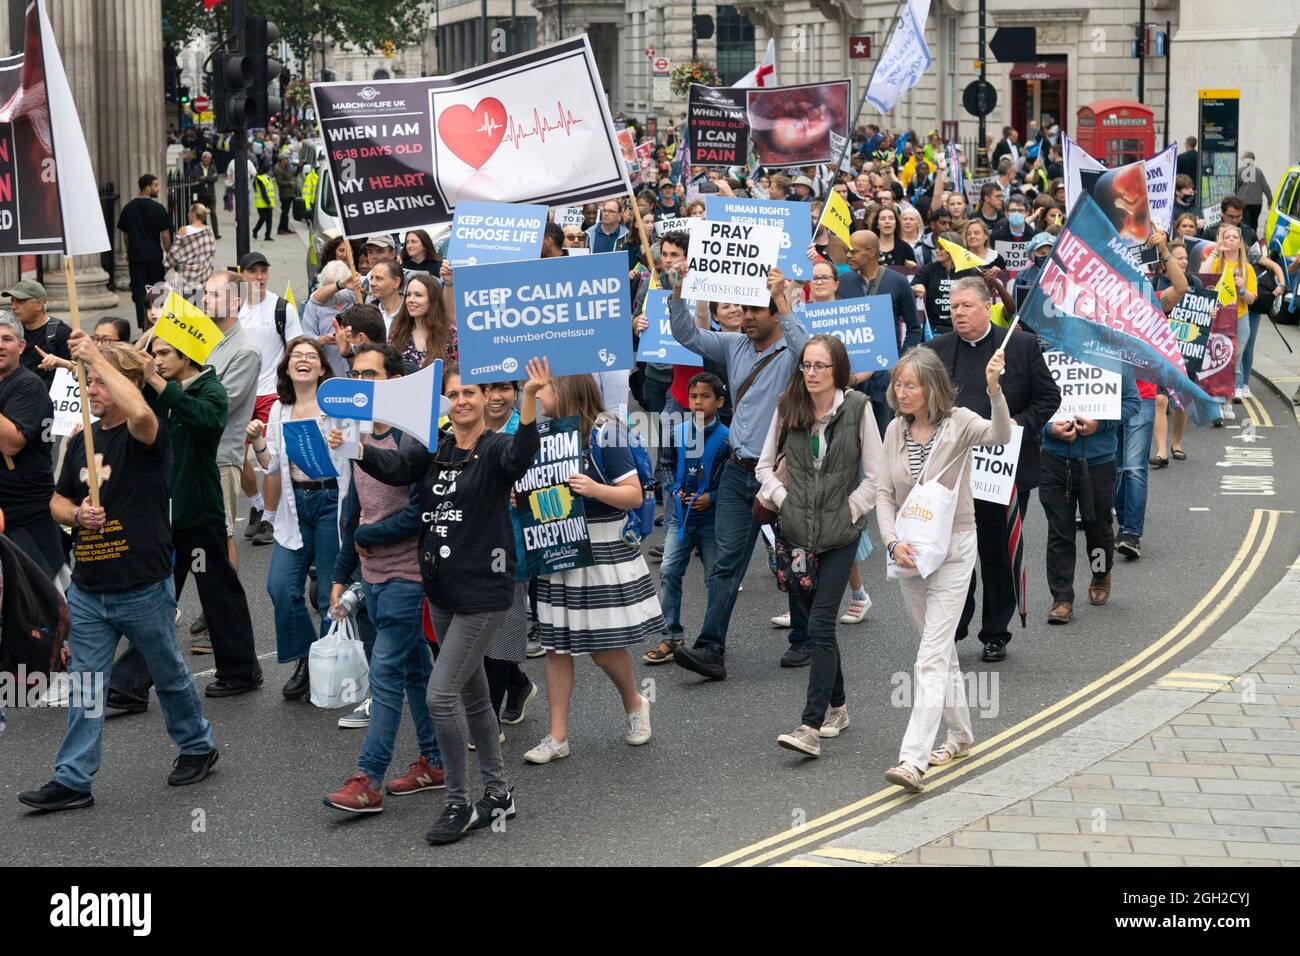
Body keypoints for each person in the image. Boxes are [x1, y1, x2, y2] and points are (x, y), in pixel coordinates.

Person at [348, 359, 546, 845]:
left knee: (441, 695)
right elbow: (396, 468)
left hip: (484, 591)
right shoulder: (436, 448)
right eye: (454, 394)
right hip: (441, 590)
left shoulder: (498, 447)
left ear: (484, 401)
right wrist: (356, 449)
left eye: (470, 393)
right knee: (474, 695)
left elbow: (522, 456)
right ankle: (499, 794)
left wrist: (530, 400)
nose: (461, 401)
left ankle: (459, 802)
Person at [18, 335, 218, 812]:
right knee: (87, 686)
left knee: (169, 675)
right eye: (87, 382)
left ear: (126, 382)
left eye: (99, 382)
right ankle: (73, 779)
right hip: (89, 587)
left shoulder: (146, 433)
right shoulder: (82, 438)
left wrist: (96, 359)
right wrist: (76, 516)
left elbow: (144, 415)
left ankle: (197, 746)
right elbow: (55, 500)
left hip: (142, 585)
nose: (92, 389)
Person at [876, 344, 1011, 792]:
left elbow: (1001, 435)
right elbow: (883, 494)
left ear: (932, 386)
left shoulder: (960, 423)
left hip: (953, 549)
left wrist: (994, 390)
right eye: (898, 383)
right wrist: (892, 542)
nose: (902, 391)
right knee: (939, 652)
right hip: (910, 553)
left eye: (910, 384)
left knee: (930, 657)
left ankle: (912, 759)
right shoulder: (895, 429)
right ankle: (961, 734)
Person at [667, 267, 810, 680]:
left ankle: (803, 638)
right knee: (726, 563)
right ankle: (711, 649)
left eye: (753, 310)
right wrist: (678, 292)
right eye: (741, 309)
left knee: (793, 557)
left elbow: (809, 352)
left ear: (773, 314)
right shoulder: (733, 345)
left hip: (781, 476)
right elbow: (687, 337)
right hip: (736, 472)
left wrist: (783, 300)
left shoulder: (792, 350)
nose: (743, 317)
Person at [106, 332, 263, 710]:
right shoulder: (158, 391)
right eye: (153, 354)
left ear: (187, 356)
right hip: (161, 517)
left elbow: (206, 422)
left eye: (163, 354)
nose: (155, 360)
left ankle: (241, 671)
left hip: (197, 516)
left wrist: (158, 382)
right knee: (155, 600)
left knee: (217, 592)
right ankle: (129, 685)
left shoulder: (210, 389)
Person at [323, 344, 445, 814]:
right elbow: (355, 508)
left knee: (387, 674)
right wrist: (339, 571)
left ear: (395, 381)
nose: (361, 382)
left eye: (370, 374)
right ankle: (435, 761)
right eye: (354, 373)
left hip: (407, 575)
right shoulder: (358, 433)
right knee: (416, 670)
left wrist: (372, 533)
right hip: (371, 575)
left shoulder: (413, 436)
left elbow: (419, 511)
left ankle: (367, 780)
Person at [523, 373, 662, 765]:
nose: (536, 394)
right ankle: (557, 737)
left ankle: (635, 705)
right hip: (559, 542)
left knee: (603, 648)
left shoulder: (607, 432)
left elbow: (633, 495)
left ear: (565, 389)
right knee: (555, 646)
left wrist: (592, 489)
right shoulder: (545, 433)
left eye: (543, 388)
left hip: (602, 543)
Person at [755, 335, 883, 757]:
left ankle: (810, 726)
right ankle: (840, 708)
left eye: (819, 366)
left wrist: (850, 509)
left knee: (821, 625)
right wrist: (784, 500)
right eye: (806, 366)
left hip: (841, 534)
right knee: (815, 623)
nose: (810, 373)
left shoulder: (859, 408)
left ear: (837, 370)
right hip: (796, 533)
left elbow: (876, 476)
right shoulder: (787, 406)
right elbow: (763, 466)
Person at [928, 278, 1060, 662]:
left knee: (997, 551)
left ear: (987, 308)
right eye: (954, 307)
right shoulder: (937, 350)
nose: (959, 313)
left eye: (967, 306)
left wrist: (1018, 425)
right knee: (954, 551)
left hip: (1005, 471)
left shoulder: (1019, 345)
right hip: (954, 472)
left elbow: (1049, 398)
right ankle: (955, 625)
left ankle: (996, 631)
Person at [246, 337, 351, 700]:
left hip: (330, 501)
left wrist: (343, 440)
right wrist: (259, 442)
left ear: (322, 367)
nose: (303, 360)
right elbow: (272, 464)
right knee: (280, 586)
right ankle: (307, 658)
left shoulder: (335, 404)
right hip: (296, 506)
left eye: (311, 356)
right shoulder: (278, 409)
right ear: (287, 367)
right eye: (296, 356)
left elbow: (355, 448)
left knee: (327, 595)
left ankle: (326, 670)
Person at [1040, 361, 1140, 625]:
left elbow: (1132, 402)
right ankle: (1061, 598)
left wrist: (1101, 422)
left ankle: (1100, 572)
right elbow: (1030, 406)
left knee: (1098, 527)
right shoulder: (1049, 358)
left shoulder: (1114, 361)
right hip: (1055, 461)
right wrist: (1049, 429)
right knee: (1059, 530)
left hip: (1099, 462)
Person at [644, 371, 729, 665]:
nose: (697, 402)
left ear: (719, 401)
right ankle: (671, 635)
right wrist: (673, 488)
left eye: (705, 397)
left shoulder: (727, 439)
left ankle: (712, 640)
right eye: (693, 396)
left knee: (715, 579)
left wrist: (712, 498)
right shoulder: (677, 432)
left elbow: (730, 482)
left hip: (711, 521)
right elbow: (665, 466)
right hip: (681, 518)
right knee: (668, 570)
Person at [1115, 230, 1187, 561]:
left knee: (1133, 467)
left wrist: (1162, 249)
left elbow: (1182, 287)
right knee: (1113, 468)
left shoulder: (1152, 304)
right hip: (1105, 396)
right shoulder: (1100, 308)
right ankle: (1119, 522)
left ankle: (1131, 533)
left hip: (1142, 396)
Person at [237, 251, 303, 546]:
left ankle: (270, 519)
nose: (259, 277)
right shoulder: (232, 308)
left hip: (270, 395)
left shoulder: (282, 308)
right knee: (235, 458)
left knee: (269, 459)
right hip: (240, 396)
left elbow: (295, 349)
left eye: (263, 271)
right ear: (242, 275)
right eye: (253, 272)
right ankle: (257, 505)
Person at [838, 230, 923, 435]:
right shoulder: (844, 282)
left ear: (871, 252)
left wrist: (900, 362)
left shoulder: (897, 282)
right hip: (852, 375)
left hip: (884, 379)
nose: (848, 255)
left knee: (883, 436)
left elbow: (913, 328)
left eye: (853, 251)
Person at [0, 311, 62, 578]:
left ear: (21, 346)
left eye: (7, 339)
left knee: (45, 600)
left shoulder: (28, 386)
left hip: (25, 514)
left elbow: (11, 443)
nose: (0, 346)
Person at [1204, 224, 1258, 402]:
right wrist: (1215, 250)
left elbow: (1251, 299)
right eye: (1227, 237)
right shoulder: (1216, 263)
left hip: (1240, 317)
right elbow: (1202, 275)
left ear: (1241, 243)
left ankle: (1227, 400)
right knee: (1218, 359)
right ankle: (1218, 401)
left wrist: (1241, 289)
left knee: (1235, 359)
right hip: (1218, 316)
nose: (1231, 240)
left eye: (1235, 237)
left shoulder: (1247, 268)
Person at [116, 174, 173, 330]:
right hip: (154, 256)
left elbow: (125, 235)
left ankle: (144, 324)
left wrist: (129, 250)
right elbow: (166, 234)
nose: (158, 189)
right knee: (157, 290)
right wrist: (169, 253)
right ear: (147, 186)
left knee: (139, 292)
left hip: (136, 257)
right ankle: (159, 322)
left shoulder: (128, 208)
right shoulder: (158, 208)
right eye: (155, 185)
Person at [4, 280, 71, 390]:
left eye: (20, 301)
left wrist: (61, 363)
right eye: (12, 301)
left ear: (39, 304)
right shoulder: (13, 332)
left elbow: (77, 373)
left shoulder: (61, 333)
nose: (13, 307)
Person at [388, 272, 456, 371]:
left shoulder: (450, 333)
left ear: (432, 299)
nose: (411, 300)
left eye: (418, 295)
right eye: (408, 295)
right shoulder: (397, 332)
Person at [166, 202, 216, 298]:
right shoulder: (209, 230)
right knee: (198, 307)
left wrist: (167, 266)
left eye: (189, 212)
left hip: (186, 278)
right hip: (203, 276)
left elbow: (174, 253)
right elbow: (212, 250)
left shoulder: (184, 230)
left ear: (193, 214)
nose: (188, 214)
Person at [912, 234, 957, 335]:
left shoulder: (967, 271)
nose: (937, 251)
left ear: (952, 249)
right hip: (934, 329)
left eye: (941, 248)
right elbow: (910, 289)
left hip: (960, 328)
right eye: (937, 247)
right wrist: (917, 287)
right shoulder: (929, 268)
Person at [191, 150, 222, 239]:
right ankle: (203, 233)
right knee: (202, 214)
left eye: (208, 158)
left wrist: (204, 178)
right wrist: (209, 178)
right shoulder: (196, 167)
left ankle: (216, 233)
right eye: (205, 158)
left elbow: (215, 179)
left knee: (213, 213)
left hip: (211, 194)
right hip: (201, 194)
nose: (207, 160)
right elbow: (197, 178)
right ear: (202, 158)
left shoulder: (212, 167)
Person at [369, 260, 405, 333]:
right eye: (372, 278)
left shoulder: (411, 312)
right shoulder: (369, 313)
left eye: (378, 278)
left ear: (396, 282)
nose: (372, 283)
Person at [274, 153, 298, 236]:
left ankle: (285, 228)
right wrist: (289, 183)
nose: (287, 161)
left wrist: (300, 167)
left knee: (286, 212)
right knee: (284, 212)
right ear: (281, 160)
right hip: (285, 194)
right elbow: (279, 182)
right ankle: (281, 229)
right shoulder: (278, 169)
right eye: (286, 159)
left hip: (290, 193)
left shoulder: (287, 167)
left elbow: (294, 174)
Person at [253, 161, 277, 241]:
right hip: (262, 203)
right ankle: (255, 230)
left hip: (267, 202)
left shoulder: (267, 178)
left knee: (269, 219)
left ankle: (267, 235)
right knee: (263, 218)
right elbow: (263, 192)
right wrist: (268, 202)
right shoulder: (259, 179)